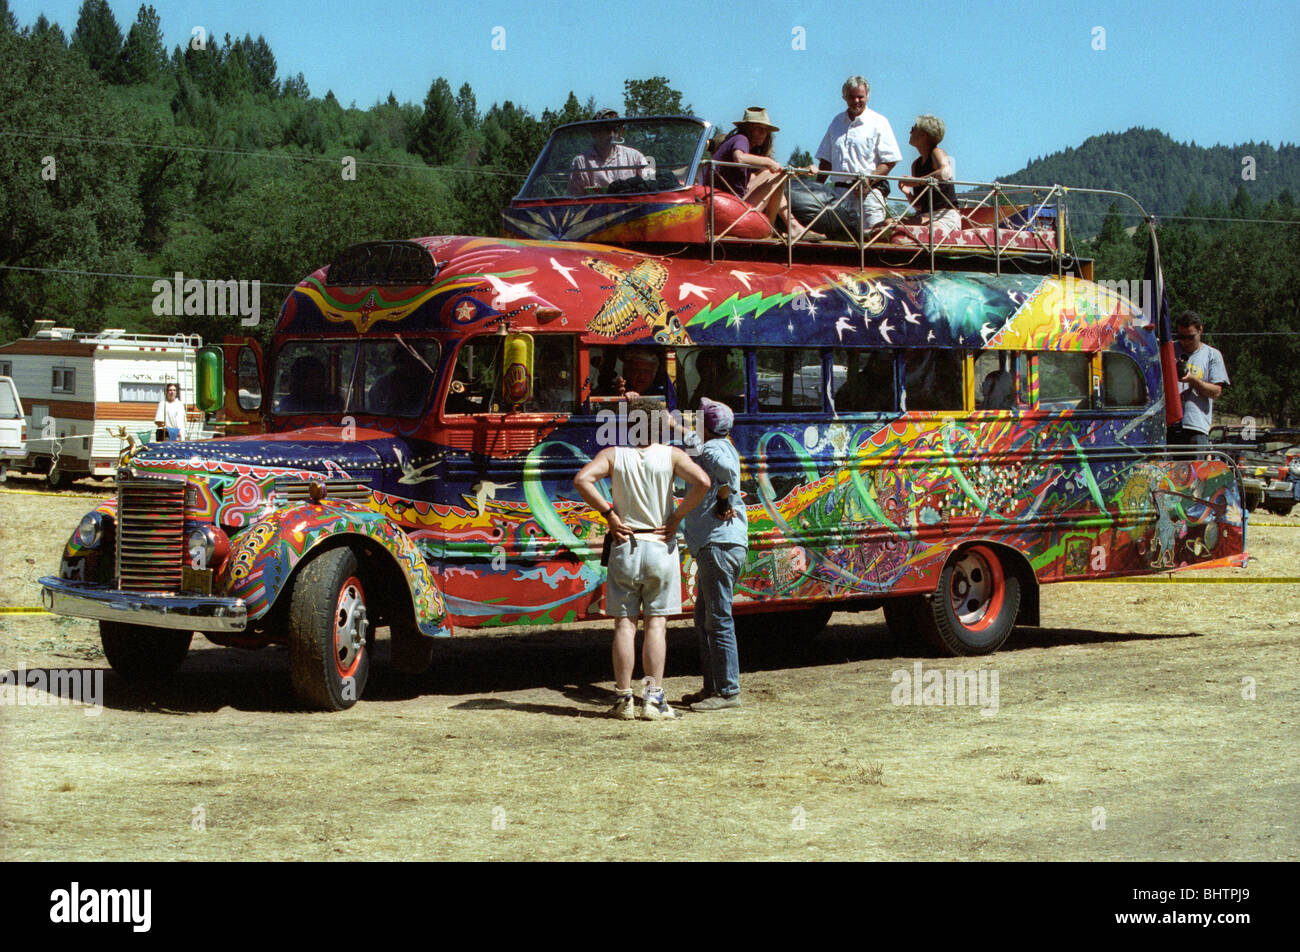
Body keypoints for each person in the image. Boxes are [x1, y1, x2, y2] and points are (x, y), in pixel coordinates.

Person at [573, 398, 710, 720]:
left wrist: (608, 514)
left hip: (626, 545)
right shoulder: (672, 455)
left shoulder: (612, 455)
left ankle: (623, 699)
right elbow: (702, 482)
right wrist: (677, 516)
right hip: (660, 546)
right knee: (656, 626)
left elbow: (582, 479)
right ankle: (652, 698)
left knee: (624, 624)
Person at [681, 398, 749, 712]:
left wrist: (727, 490)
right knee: (704, 618)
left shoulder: (715, 450)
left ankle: (728, 692)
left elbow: (724, 470)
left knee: (718, 618)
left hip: (719, 544)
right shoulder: (720, 445)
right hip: (718, 544)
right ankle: (713, 687)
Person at [711, 107, 823, 240]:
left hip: (727, 202)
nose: (763, 133)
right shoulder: (741, 139)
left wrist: (802, 170)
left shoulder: (740, 144)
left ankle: (793, 227)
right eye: (759, 128)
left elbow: (771, 174)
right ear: (748, 128)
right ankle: (772, 229)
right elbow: (739, 157)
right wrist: (768, 161)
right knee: (775, 175)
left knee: (773, 176)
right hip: (730, 207)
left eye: (766, 130)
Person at [815, 75, 902, 228]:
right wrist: (814, 190)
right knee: (841, 239)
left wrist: (869, 180)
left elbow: (890, 161)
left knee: (873, 238)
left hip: (869, 192)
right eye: (851, 97)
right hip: (840, 193)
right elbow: (826, 161)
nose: (856, 101)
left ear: (867, 96)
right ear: (844, 97)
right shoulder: (836, 122)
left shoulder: (879, 122)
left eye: (860, 97)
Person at [1169, 311, 1229, 449]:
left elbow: (1216, 392)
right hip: (1169, 425)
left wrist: (1192, 380)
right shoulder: (1169, 349)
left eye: (1190, 337)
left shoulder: (1212, 355)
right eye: (1181, 337)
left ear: (1200, 330)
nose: (1186, 342)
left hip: (1196, 426)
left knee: (1195, 469)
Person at [568, 109, 656, 195]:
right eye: (603, 129)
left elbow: (652, 189)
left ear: (620, 132)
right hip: (595, 209)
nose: (610, 134)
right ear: (593, 132)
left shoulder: (635, 157)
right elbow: (575, 199)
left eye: (614, 129)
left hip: (633, 208)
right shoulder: (580, 162)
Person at [899, 114, 961, 236]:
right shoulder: (915, 164)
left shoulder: (937, 152)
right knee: (887, 224)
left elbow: (946, 172)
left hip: (945, 216)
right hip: (925, 215)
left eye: (913, 128)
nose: (910, 131)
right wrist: (907, 193)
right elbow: (919, 206)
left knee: (926, 231)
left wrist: (917, 181)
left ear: (924, 135)